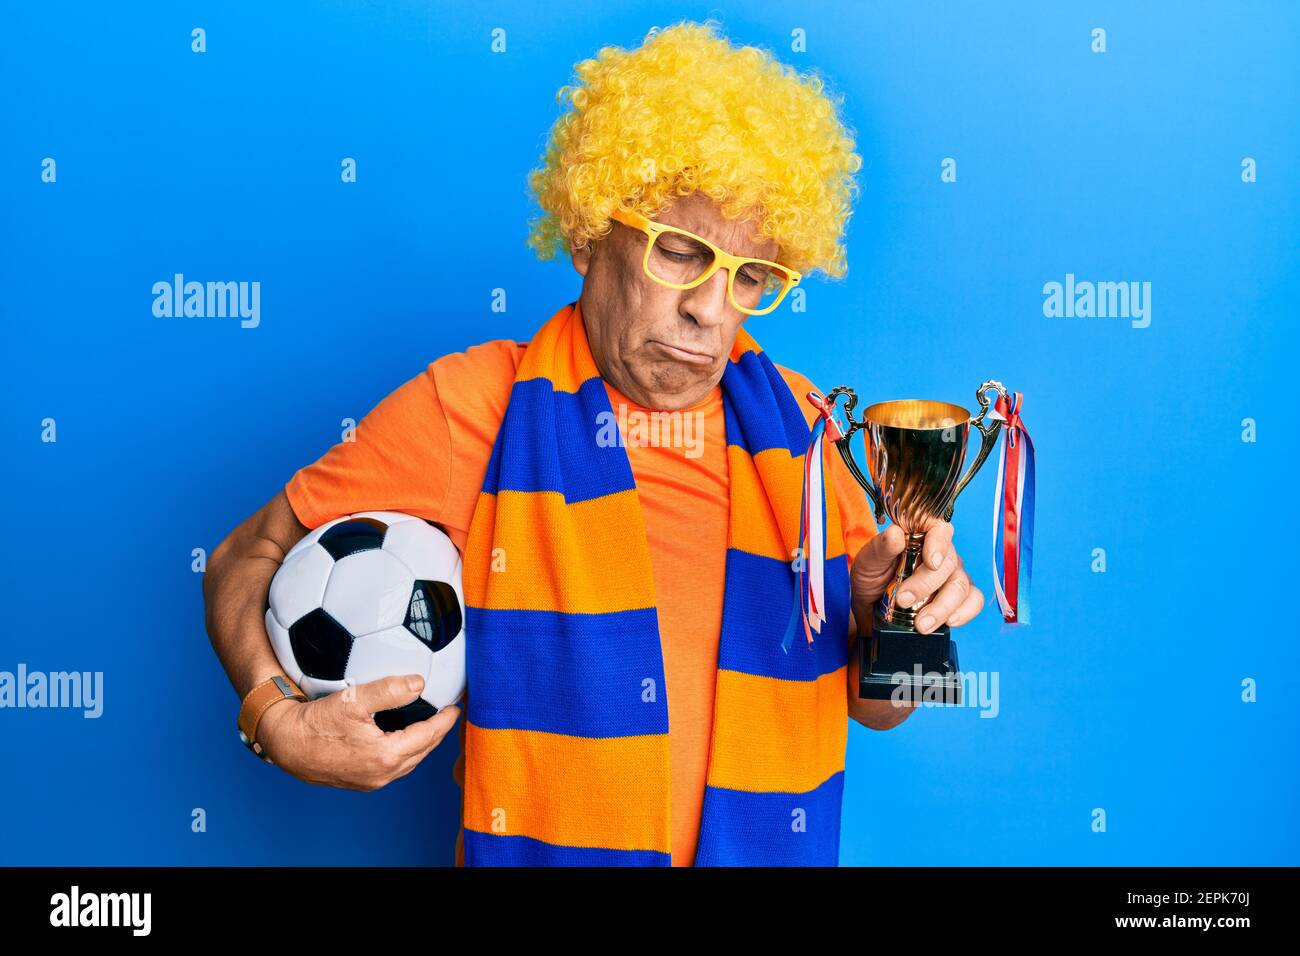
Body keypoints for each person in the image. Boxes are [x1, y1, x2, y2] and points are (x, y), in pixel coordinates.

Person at [203, 20, 984, 867]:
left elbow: (879, 709)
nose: (710, 312)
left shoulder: (804, 430)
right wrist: (273, 720)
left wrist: (899, 621)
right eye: (680, 253)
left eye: (750, 278)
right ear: (586, 232)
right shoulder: (474, 406)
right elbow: (244, 556)